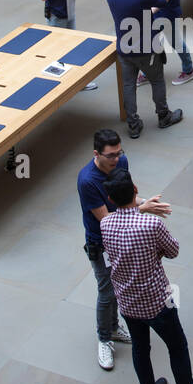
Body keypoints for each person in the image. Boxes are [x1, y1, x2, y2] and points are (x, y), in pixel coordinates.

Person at [99, 168, 193, 384]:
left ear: (111, 200)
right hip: (157, 301)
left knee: (140, 347)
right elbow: (173, 251)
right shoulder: (151, 223)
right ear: (135, 191)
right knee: (177, 346)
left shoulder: (105, 224)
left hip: (127, 301)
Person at [77, 128, 172, 371]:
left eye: (119, 153)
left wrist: (145, 202)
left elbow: (126, 197)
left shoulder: (122, 161)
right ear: (96, 154)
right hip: (101, 243)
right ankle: (104, 337)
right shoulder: (87, 180)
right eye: (111, 155)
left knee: (119, 286)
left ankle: (113, 327)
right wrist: (144, 209)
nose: (117, 159)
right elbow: (106, 219)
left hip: (122, 237)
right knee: (106, 291)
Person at [107, 0, 185, 139]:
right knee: (157, 81)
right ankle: (163, 116)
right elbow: (163, 0)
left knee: (128, 84)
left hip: (125, 47)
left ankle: (133, 124)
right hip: (147, 47)